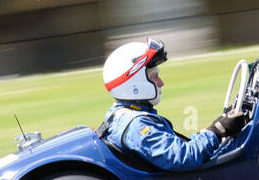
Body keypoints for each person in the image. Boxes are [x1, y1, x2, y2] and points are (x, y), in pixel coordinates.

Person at [100, 37, 247, 171]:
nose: (161, 83)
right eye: (155, 77)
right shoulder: (137, 125)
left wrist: (213, 131)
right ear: (135, 84)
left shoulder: (120, 115)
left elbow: (177, 148)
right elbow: (184, 158)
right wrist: (218, 130)